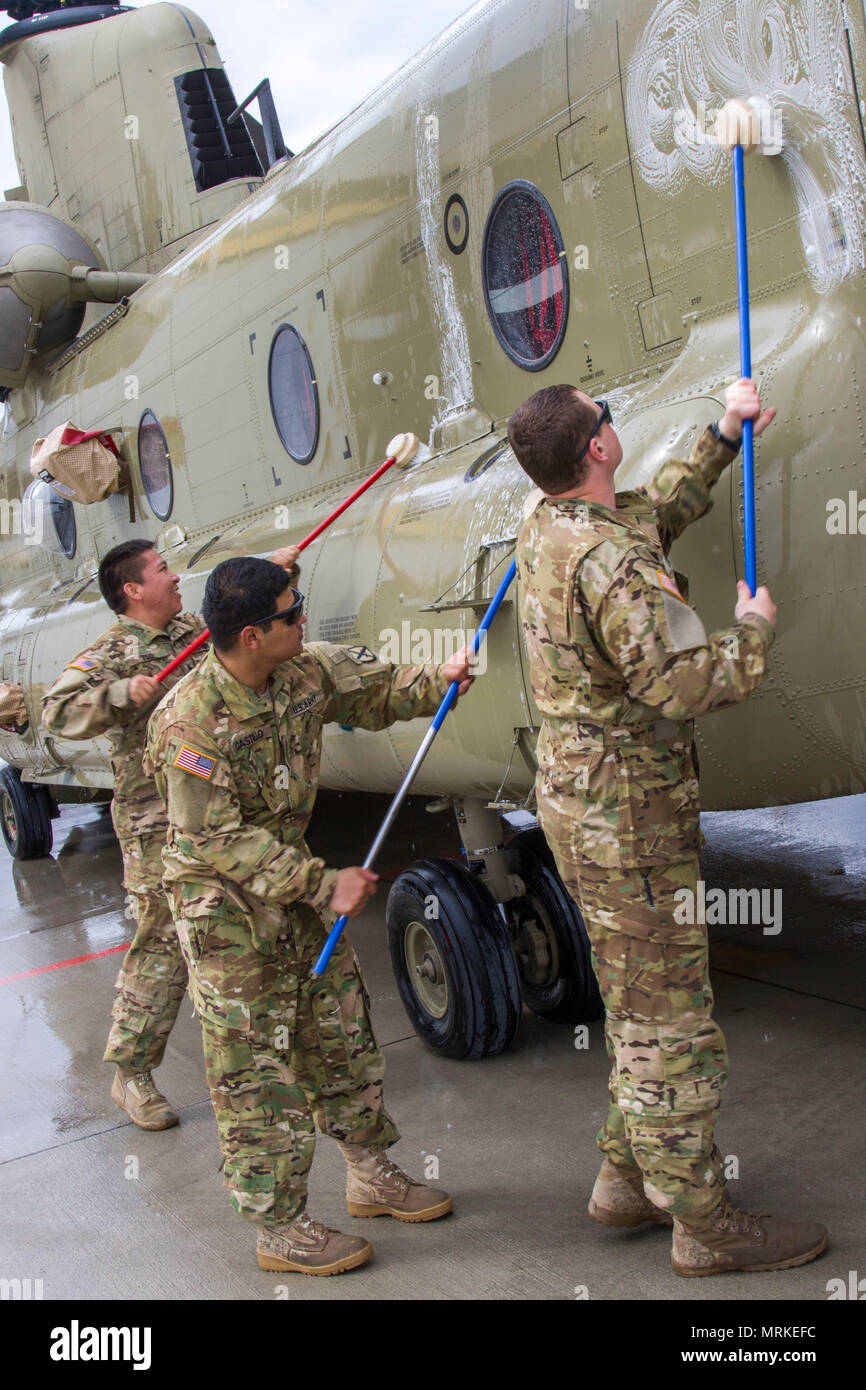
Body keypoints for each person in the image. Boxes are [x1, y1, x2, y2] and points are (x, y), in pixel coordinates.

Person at [509, 378, 828, 1277]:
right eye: (606, 416)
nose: (613, 422)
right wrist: (752, 631)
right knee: (672, 1024)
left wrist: (723, 437)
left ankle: (623, 1178)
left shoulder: (551, 526)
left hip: (586, 805)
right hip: (629, 823)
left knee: (637, 1001)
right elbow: (680, 684)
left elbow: (649, 516)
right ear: (599, 449)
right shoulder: (609, 563)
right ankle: (702, 1223)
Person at [143, 556, 473, 1275]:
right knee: (255, 1068)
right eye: (293, 613)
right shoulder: (189, 721)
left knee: (340, 1030)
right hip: (222, 903)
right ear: (254, 635)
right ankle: (280, 1228)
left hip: (291, 879)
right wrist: (322, 885)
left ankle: (368, 1172)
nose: (304, 619)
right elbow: (216, 838)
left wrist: (438, 681)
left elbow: (375, 691)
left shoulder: (301, 671)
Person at [41, 539, 299, 1130]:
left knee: (252, 929)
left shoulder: (194, 630)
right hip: (156, 822)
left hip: (218, 808)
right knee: (164, 947)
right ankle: (131, 1074)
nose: (174, 575)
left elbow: (242, 629)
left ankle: (274, 1063)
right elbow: (57, 714)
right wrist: (118, 695)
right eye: (161, 570)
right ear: (132, 588)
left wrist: (271, 574)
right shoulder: (108, 654)